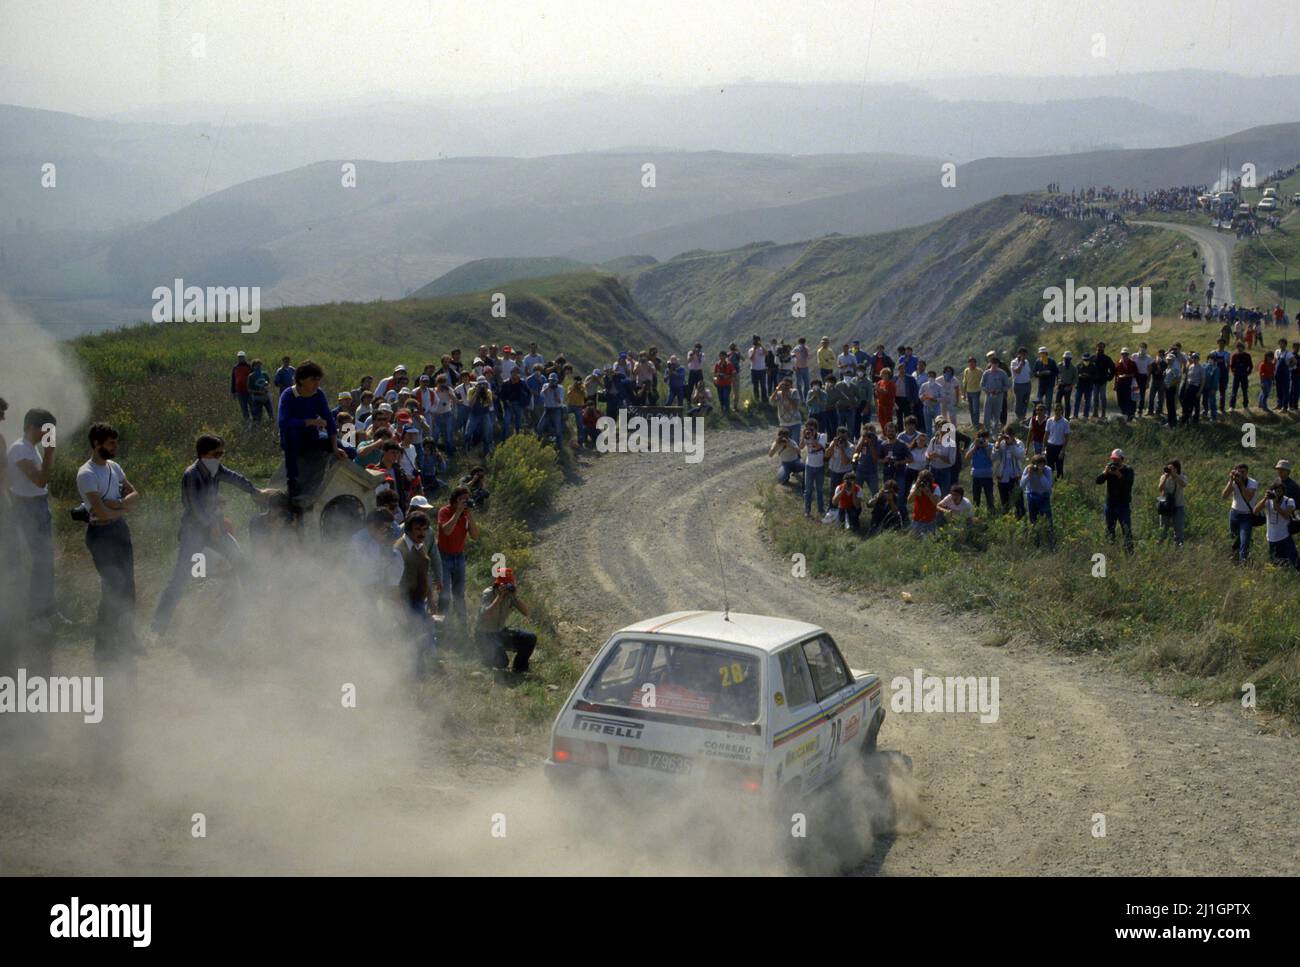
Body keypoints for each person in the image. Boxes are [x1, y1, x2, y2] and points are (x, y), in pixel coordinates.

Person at [151, 434, 274, 636]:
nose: (220, 457)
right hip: (194, 532)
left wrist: (254, 491)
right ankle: (158, 627)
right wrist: (210, 526)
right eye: (216, 453)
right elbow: (194, 506)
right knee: (179, 579)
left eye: (221, 453)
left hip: (213, 527)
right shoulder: (191, 474)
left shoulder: (215, 469)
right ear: (203, 455)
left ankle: (258, 611)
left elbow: (235, 478)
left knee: (240, 560)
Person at [75, 423, 142, 663]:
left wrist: (117, 505)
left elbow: (135, 494)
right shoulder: (87, 474)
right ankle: (103, 645)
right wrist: (118, 508)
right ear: (97, 444)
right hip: (100, 536)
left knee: (128, 587)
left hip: (119, 531)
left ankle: (126, 637)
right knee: (113, 586)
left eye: (115, 442)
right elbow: (100, 514)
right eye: (111, 443)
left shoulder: (114, 467)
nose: (115, 447)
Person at [7, 408, 58, 628]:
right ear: (31, 427)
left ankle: (48, 609)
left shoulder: (31, 449)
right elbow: (40, 480)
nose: (48, 434)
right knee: (40, 562)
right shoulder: (20, 449)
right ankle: (35, 616)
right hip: (28, 507)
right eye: (46, 429)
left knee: (46, 561)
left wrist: (47, 451)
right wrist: (49, 452)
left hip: (38, 505)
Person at [277, 360, 345, 511]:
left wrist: (334, 446)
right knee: (291, 433)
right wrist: (309, 422)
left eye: (318, 379)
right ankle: (292, 482)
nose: (317, 383)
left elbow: (329, 420)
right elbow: (283, 422)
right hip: (292, 441)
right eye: (313, 379)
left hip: (311, 439)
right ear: (301, 380)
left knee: (343, 447)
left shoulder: (318, 394)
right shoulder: (288, 395)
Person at [394, 511, 442, 673]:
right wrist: (400, 609)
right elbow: (393, 583)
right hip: (404, 600)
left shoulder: (420, 547)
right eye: (418, 529)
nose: (422, 533)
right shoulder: (399, 550)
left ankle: (421, 667)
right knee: (411, 634)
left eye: (424, 529)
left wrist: (431, 598)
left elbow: (425, 575)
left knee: (422, 632)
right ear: (408, 530)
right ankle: (411, 670)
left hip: (418, 600)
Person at [477, 567, 536, 674]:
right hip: (485, 634)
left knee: (530, 638)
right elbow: (485, 614)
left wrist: (515, 596)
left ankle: (519, 668)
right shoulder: (488, 593)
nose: (507, 588)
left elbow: (526, 612)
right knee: (502, 662)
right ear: (498, 584)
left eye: (510, 584)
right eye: (505, 584)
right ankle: (485, 657)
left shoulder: (510, 595)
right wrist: (498, 598)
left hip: (500, 632)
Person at [436, 486, 479, 632]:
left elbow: (475, 536)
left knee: (459, 594)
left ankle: (462, 626)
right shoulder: (445, 511)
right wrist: (458, 512)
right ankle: (441, 627)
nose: (466, 502)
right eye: (463, 499)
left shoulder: (466, 515)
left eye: (468, 499)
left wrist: (469, 514)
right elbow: (446, 531)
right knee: (445, 594)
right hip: (444, 557)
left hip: (459, 557)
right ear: (454, 501)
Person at [1096, 448, 1135, 551]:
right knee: (1109, 530)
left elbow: (1128, 484)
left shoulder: (1128, 470)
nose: (1115, 462)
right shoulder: (1109, 469)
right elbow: (1098, 481)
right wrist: (1105, 473)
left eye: (1117, 459)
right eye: (1113, 459)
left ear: (1122, 459)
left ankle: (1129, 552)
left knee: (1126, 531)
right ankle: (1110, 550)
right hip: (1110, 505)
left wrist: (1119, 475)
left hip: (1123, 505)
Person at [1254, 482, 1299, 569]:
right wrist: (1265, 498)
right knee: (1276, 564)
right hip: (1271, 538)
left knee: (1295, 561)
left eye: (1279, 492)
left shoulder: (1289, 501)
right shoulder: (1268, 501)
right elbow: (1255, 511)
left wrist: (1275, 503)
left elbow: (1286, 515)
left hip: (1285, 537)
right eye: (1275, 492)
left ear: (1283, 492)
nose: (1277, 494)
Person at [1222, 463, 1258, 563]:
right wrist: (1231, 481)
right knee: (1234, 537)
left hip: (1247, 516)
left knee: (1244, 540)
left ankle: (1243, 561)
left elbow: (1248, 497)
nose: (1241, 474)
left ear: (1247, 472)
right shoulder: (1234, 482)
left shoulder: (1252, 483)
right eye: (1239, 472)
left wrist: (1241, 484)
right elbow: (1224, 496)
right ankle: (1234, 556)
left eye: (1243, 472)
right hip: (1234, 514)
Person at [1156, 460, 1188, 547]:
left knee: (1178, 528)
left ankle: (1179, 545)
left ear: (1177, 468)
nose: (1169, 470)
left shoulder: (1182, 476)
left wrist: (1175, 475)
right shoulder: (1164, 476)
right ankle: (1160, 545)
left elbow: (1184, 484)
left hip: (1178, 505)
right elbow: (1160, 488)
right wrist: (1166, 477)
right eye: (1168, 468)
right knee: (1163, 528)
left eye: (1172, 468)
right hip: (1165, 505)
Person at [1019, 453, 1054, 531]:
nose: (1040, 467)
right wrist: (1029, 475)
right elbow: (1022, 485)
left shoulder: (1047, 470)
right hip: (1031, 495)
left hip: (1044, 496)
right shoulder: (1028, 469)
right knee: (1033, 519)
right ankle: (1035, 535)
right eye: (1038, 464)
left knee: (1047, 518)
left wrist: (1041, 475)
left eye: (1043, 464)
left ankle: (1049, 534)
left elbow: (1048, 487)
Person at [800, 420, 827, 518]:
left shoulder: (822, 436)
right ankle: (807, 511)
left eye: (812, 428)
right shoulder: (806, 436)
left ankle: (821, 510)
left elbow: (818, 446)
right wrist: (804, 436)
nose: (810, 430)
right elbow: (801, 447)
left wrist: (812, 436)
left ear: (816, 428)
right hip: (809, 466)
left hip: (820, 466)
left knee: (819, 489)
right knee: (808, 490)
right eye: (808, 428)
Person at [965, 429, 996, 511]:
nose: (982, 440)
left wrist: (985, 447)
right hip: (976, 476)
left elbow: (991, 458)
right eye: (981, 438)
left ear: (987, 438)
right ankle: (976, 513)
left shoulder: (990, 446)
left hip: (987, 475)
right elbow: (967, 457)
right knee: (976, 498)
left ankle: (991, 512)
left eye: (984, 438)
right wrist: (975, 447)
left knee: (989, 497)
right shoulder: (974, 445)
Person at [980, 356, 1010, 429]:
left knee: (996, 414)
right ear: (990, 363)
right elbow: (982, 384)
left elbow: (1007, 385)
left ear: (998, 364)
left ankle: (995, 431)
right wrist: (987, 390)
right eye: (993, 363)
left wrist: (1000, 390)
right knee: (987, 414)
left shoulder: (1002, 373)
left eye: (996, 363)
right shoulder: (986, 373)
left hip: (999, 397)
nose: (994, 365)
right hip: (988, 396)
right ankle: (987, 430)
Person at [231, 351, 253, 421]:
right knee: (244, 408)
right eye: (239, 357)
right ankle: (247, 422)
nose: (241, 358)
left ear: (244, 357)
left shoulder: (249, 366)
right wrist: (233, 392)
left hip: (249, 391)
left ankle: (255, 422)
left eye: (242, 357)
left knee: (253, 407)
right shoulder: (235, 367)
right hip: (239, 392)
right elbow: (233, 380)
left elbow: (253, 378)